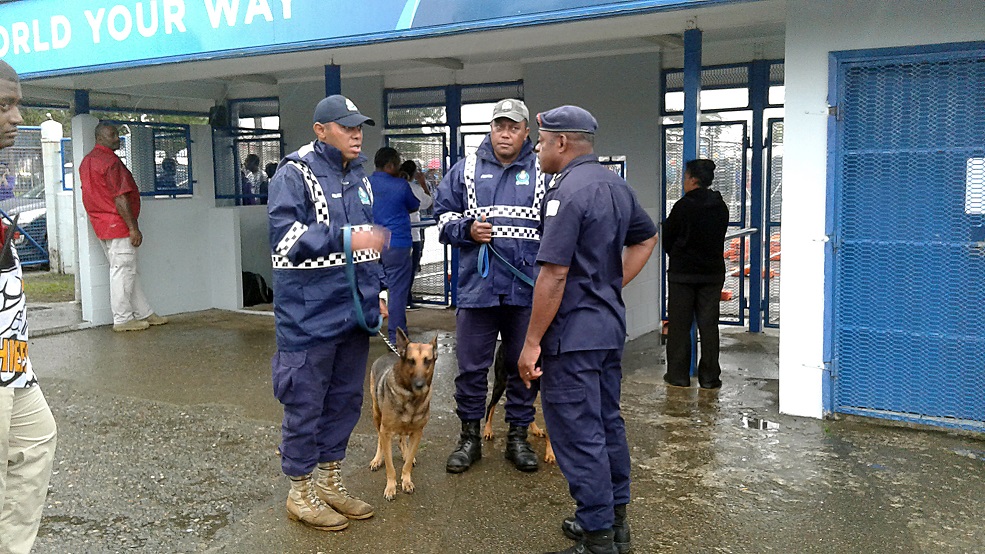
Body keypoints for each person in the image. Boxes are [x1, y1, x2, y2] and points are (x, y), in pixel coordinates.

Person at [518, 105, 657, 554]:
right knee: (607, 423)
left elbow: (554, 274)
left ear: (561, 142)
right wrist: (608, 284)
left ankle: (597, 538)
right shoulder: (616, 185)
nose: (538, 149)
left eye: (542, 141)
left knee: (579, 434)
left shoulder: (566, 192)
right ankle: (615, 524)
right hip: (607, 329)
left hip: (572, 336)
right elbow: (647, 237)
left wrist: (531, 342)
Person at [266, 94, 389, 532]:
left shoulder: (358, 175)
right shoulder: (293, 174)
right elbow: (285, 239)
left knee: (344, 402)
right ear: (321, 131)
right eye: (346, 127)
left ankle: (329, 482)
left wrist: (378, 294)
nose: (356, 135)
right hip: (308, 316)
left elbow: (369, 245)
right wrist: (347, 237)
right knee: (305, 404)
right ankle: (300, 493)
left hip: (352, 314)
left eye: (359, 127)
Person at [434, 98, 545, 474]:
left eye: (514, 127)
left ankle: (518, 438)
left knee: (524, 366)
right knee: (470, 368)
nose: (506, 133)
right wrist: (466, 230)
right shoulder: (464, 170)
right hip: (477, 289)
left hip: (525, 291)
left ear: (526, 132)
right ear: (491, 129)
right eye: (500, 126)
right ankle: (469, 438)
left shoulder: (543, 171)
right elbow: (441, 217)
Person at [0, 58, 58, 554]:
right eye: (4, 105)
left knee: (37, 440)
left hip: (12, 361)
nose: (17, 117)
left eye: (17, 104)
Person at [80, 123, 169, 332]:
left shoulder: (87, 161)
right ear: (100, 138)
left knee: (128, 270)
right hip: (118, 224)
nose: (117, 138)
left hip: (101, 223)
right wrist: (133, 228)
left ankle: (144, 312)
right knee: (123, 271)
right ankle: (122, 319)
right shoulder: (110, 162)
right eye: (112, 135)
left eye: (117, 134)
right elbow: (120, 197)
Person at [662, 158, 729, 389]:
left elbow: (668, 238)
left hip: (683, 275)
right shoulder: (720, 206)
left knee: (680, 326)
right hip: (712, 274)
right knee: (708, 326)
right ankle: (709, 378)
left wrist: (679, 253)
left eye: (685, 177)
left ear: (692, 179)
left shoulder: (683, 206)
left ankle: (678, 375)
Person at [369, 147, 419, 344]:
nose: (399, 168)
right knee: (397, 293)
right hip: (397, 244)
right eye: (397, 164)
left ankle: (366, 327)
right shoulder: (401, 185)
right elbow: (414, 205)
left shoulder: (365, 183)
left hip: (370, 243)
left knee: (368, 286)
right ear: (390, 165)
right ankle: (396, 339)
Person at [400, 159, 433, 307]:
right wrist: (423, 183)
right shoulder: (416, 189)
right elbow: (428, 202)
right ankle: (406, 298)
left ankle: (401, 298)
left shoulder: (394, 187)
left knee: (399, 269)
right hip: (413, 235)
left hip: (397, 235)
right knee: (412, 267)